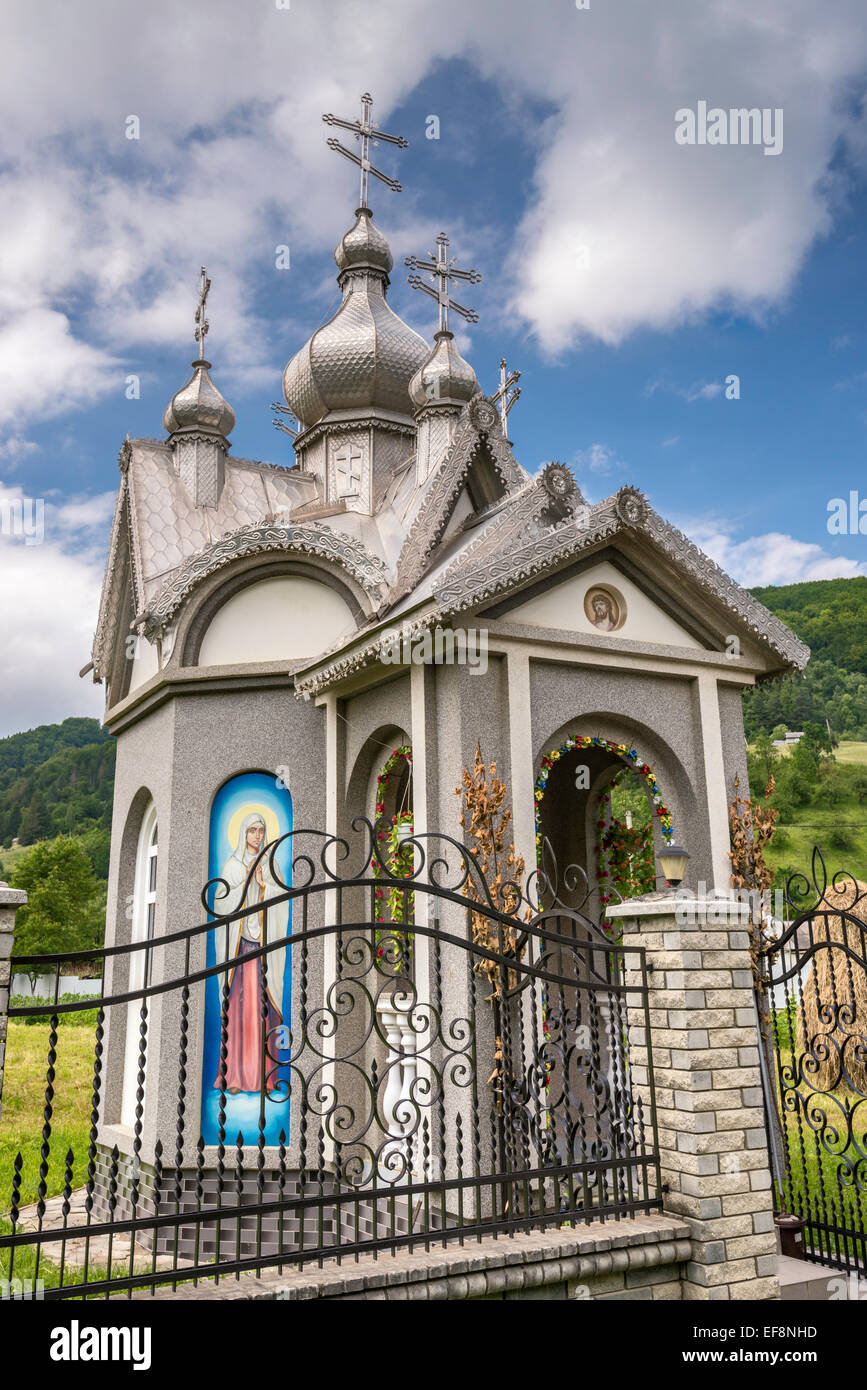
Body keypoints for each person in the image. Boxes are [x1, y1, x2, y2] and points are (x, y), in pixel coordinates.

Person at [212, 811, 288, 1094]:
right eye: (251, 830)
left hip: (263, 948)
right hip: (241, 948)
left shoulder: (271, 866)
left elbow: (282, 904)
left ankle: (263, 1077)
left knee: (261, 1012)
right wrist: (243, 885)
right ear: (243, 834)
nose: (256, 835)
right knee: (239, 1012)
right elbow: (222, 906)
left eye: (261, 830)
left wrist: (263, 884)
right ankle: (234, 1076)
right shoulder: (232, 866)